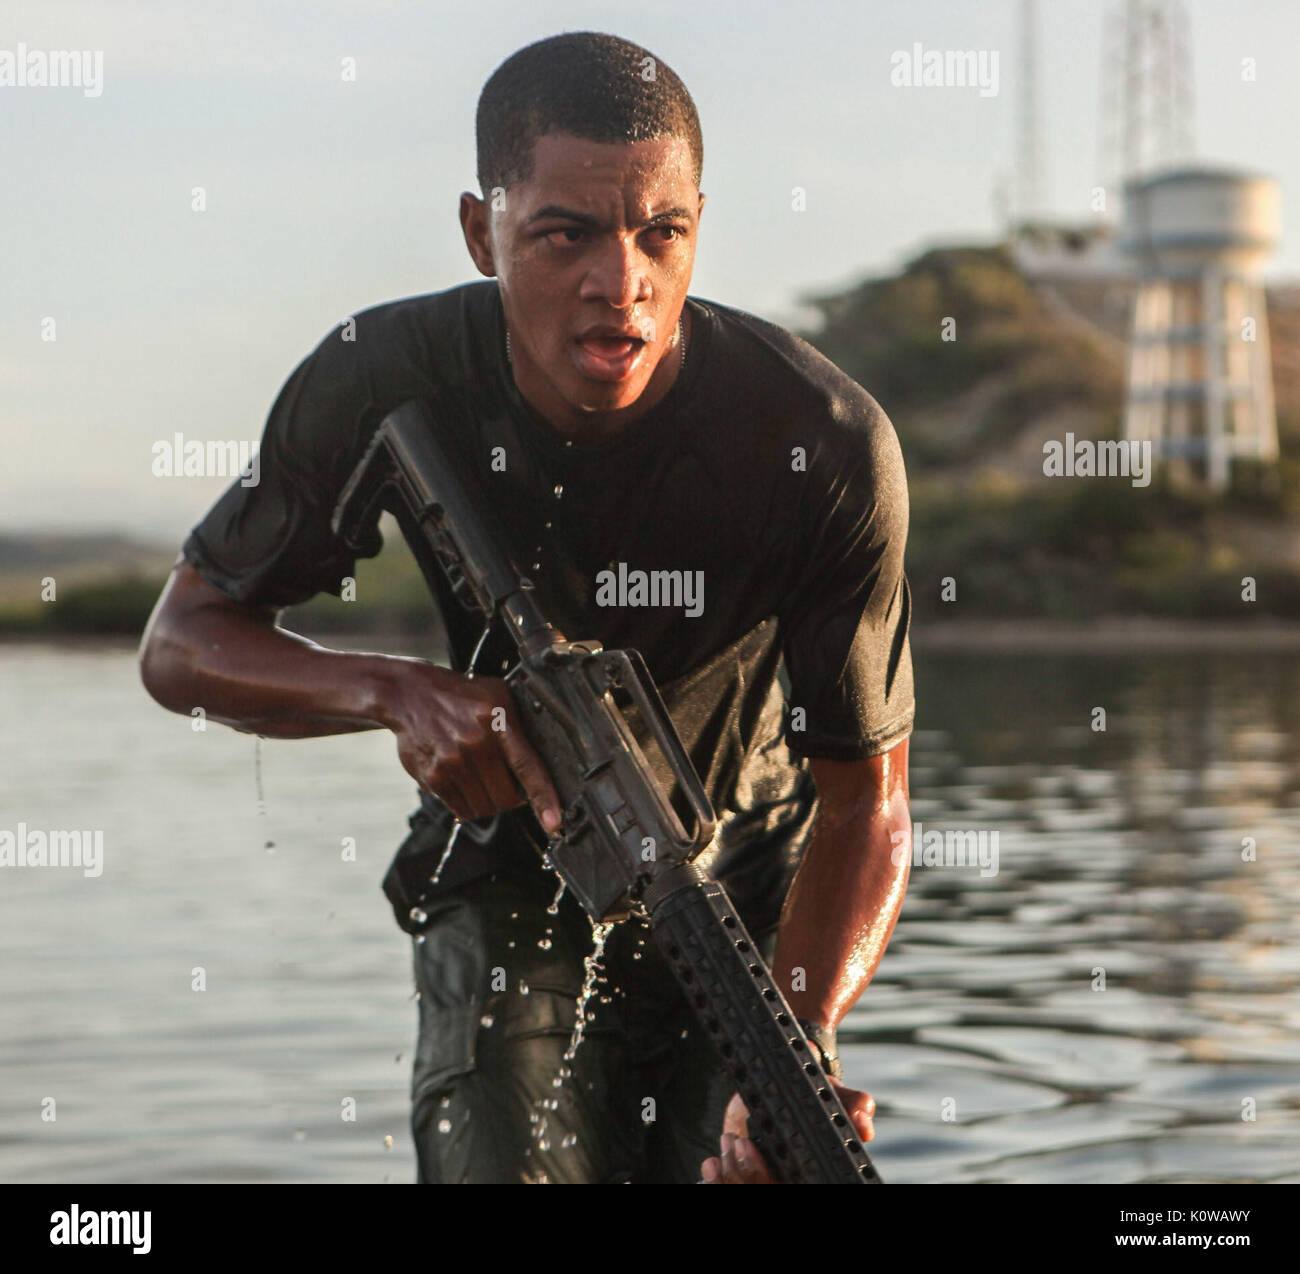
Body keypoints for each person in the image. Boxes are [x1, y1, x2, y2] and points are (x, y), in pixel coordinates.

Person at [139, 30, 914, 1185]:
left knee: (768, 1153)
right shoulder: (382, 375)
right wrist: (396, 692)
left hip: (745, 884)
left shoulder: (819, 441)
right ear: (479, 230)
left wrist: (796, 1038)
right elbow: (181, 642)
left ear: (700, 219)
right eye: (565, 234)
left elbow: (869, 806)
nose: (622, 283)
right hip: (510, 856)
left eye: (663, 233)